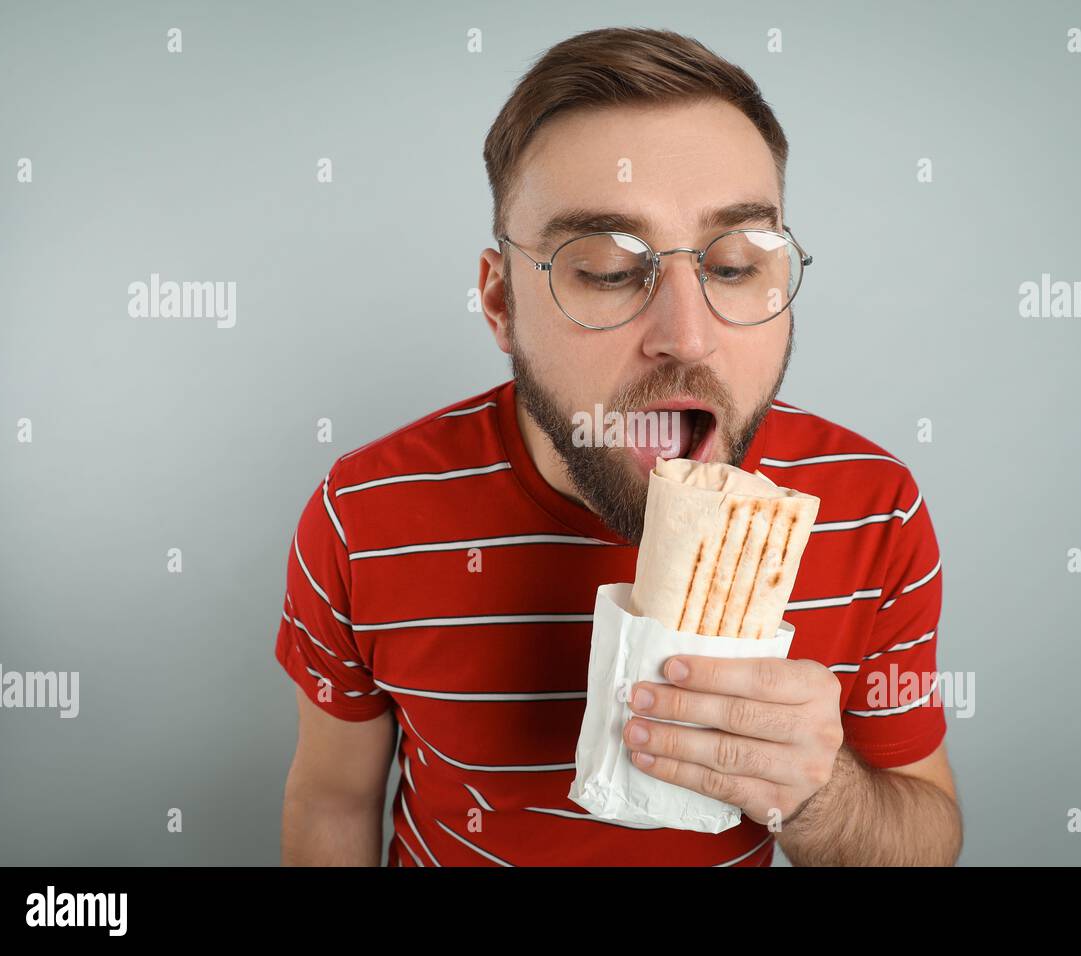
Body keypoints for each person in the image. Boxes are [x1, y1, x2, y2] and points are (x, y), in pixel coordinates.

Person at [275, 26, 961, 867]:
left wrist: (819, 794)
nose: (687, 336)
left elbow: (924, 840)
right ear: (499, 303)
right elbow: (332, 802)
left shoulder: (872, 508)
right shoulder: (365, 514)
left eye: (737, 264)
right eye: (605, 268)